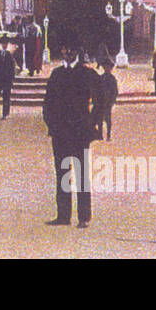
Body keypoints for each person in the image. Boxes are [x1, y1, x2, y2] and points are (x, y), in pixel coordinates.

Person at [43, 35, 98, 228]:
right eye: (65, 50)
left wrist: (92, 124)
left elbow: (100, 100)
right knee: (62, 174)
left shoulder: (86, 73)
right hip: (60, 133)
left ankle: (84, 216)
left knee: (82, 175)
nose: (67, 53)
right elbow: (47, 102)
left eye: (71, 50)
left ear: (77, 52)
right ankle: (63, 215)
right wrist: (51, 124)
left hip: (80, 132)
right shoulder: (56, 74)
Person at [0, 36, 17, 119]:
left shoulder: (9, 55)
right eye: (3, 43)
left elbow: (13, 68)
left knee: (6, 97)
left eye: (5, 43)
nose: (4, 45)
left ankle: (5, 114)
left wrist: (11, 79)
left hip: (6, 80)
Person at [95, 52, 119, 141]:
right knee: (100, 119)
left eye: (109, 67)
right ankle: (100, 134)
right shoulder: (100, 78)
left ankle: (108, 135)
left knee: (108, 120)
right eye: (105, 67)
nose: (107, 69)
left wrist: (112, 101)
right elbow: (97, 90)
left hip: (108, 102)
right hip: (101, 101)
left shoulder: (112, 79)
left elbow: (115, 91)